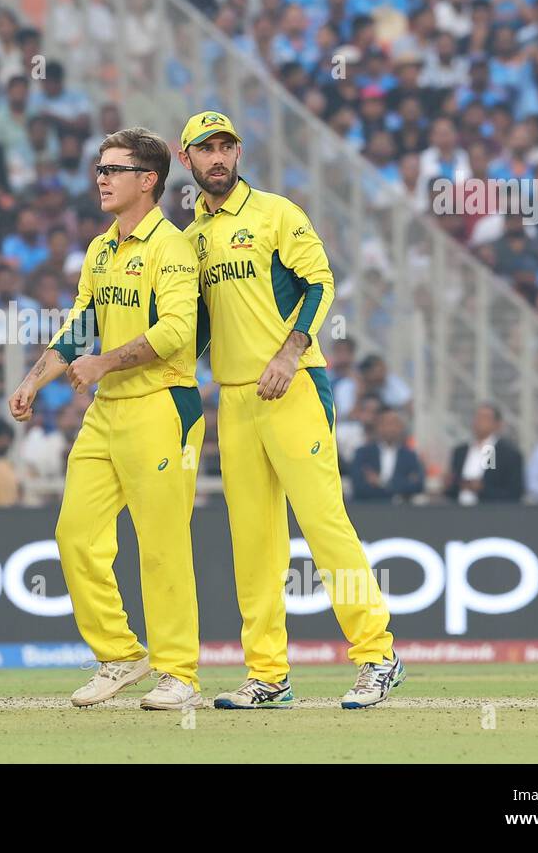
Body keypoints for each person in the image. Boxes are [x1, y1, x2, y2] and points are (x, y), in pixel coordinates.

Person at [178, 110, 401, 710]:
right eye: (205, 150)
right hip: (235, 397)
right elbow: (197, 326)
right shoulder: (192, 238)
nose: (217, 158)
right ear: (187, 162)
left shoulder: (276, 213)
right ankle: (267, 674)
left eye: (226, 146)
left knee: (325, 525)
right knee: (252, 542)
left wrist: (289, 351)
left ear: (238, 152)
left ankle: (377, 654)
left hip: (295, 382)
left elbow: (321, 283)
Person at [7, 127, 205, 711]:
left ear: (148, 181)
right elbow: (81, 326)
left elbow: (177, 334)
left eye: (114, 169)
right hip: (108, 411)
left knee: (161, 544)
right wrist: (32, 381)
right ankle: (120, 653)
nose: (100, 177)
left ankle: (179, 673)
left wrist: (104, 363)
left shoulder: (172, 248)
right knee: (75, 534)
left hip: (162, 404)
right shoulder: (100, 248)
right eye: (100, 167)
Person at [444, 403, 525, 504]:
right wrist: (450, 484)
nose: (479, 421)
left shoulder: (508, 454)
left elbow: (514, 492)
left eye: (485, 418)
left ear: (497, 424)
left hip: (490, 513)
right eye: (477, 417)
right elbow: (452, 488)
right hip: (458, 512)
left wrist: (482, 489)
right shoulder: (460, 452)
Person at [350, 407, 425, 502]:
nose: (390, 428)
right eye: (386, 424)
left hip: (402, 511)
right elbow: (359, 487)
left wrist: (381, 482)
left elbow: (417, 486)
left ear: (401, 427)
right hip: (369, 509)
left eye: (394, 423)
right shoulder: (363, 454)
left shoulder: (410, 456)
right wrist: (399, 489)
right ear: (378, 426)